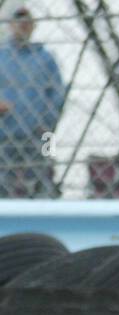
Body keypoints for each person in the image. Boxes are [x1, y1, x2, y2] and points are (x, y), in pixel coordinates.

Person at [0, 6, 65, 198]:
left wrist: (48, 122)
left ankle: (44, 204)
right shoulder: (2, 56)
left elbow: (57, 94)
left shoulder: (46, 58)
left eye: (27, 22)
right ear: (10, 25)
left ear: (34, 26)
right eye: (18, 21)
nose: (23, 26)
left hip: (40, 132)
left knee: (43, 174)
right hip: (4, 130)